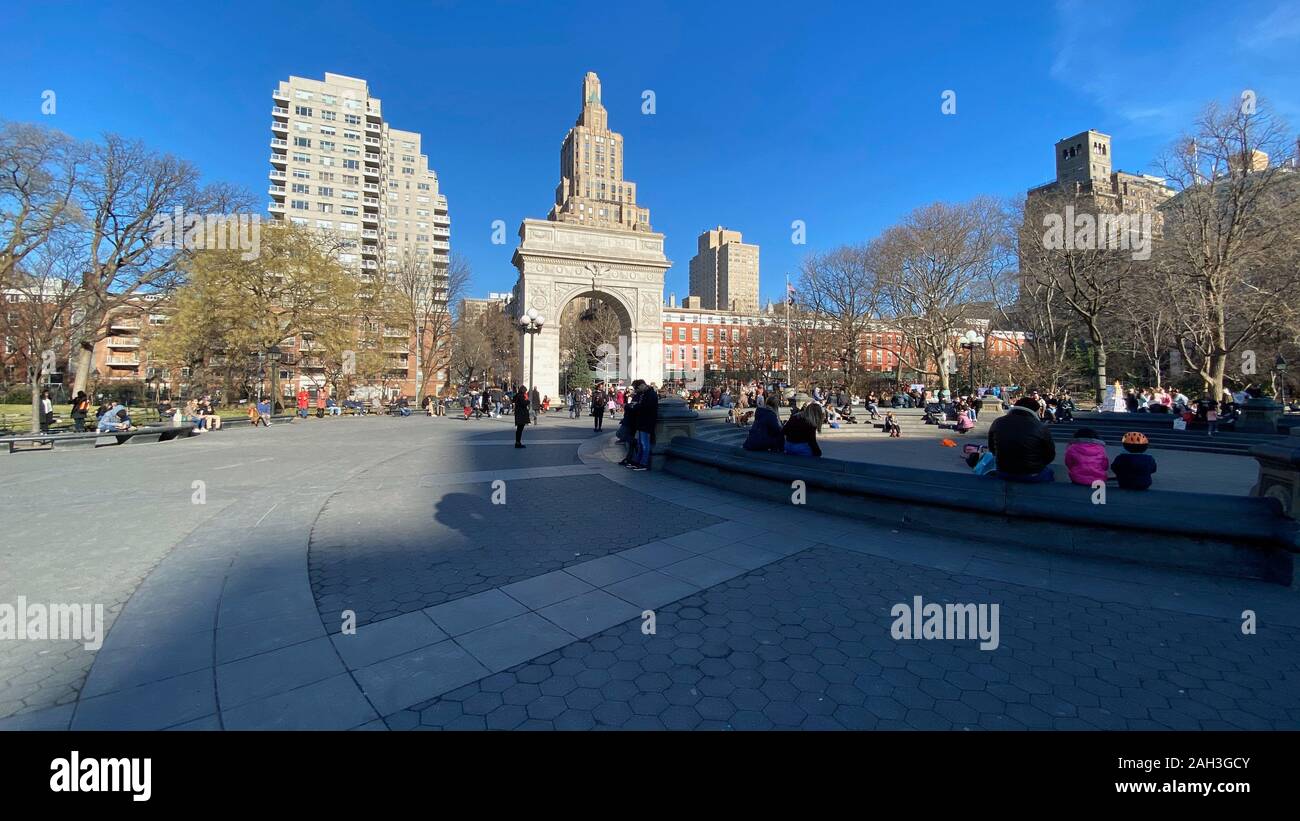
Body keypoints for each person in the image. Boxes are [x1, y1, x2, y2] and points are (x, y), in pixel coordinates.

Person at [988, 398, 1056, 482]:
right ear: (1035, 410)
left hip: (1003, 471)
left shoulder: (998, 422)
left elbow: (992, 448)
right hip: (1032, 473)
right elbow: (1050, 455)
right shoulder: (1040, 426)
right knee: (1050, 473)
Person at [629, 379, 658, 471]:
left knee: (644, 444)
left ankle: (643, 463)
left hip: (647, 422)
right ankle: (638, 462)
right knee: (640, 443)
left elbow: (647, 408)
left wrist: (636, 406)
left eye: (637, 388)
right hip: (642, 422)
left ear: (642, 385)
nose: (636, 390)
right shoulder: (644, 394)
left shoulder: (651, 394)